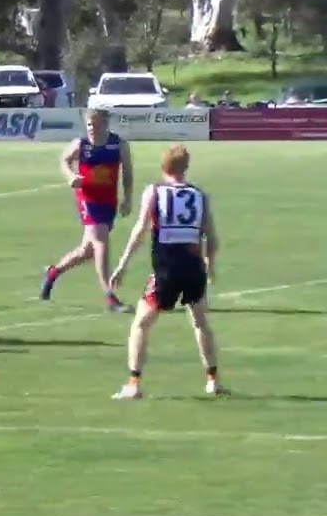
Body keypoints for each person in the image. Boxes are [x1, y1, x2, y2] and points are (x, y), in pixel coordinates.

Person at [106, 145, 223, 399]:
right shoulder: (199, 195)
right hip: (194, 267)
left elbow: (140, 230)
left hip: (167, 268)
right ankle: (212, 380)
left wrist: (122, 265)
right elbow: (211, 236)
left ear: (164, 166)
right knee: (200, 322)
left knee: (141, 323)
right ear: (186, 167)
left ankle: (133, 384)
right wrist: (210, 266)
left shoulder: (155, 191)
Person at [40, 108, 134, 312]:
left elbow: (127, 173)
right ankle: (110, 296)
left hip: (108, 201)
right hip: (88, 200)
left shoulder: (119, 145)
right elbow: (65, 160)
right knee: (101, 242)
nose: (92, 128)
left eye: (96, 124)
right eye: (90, 124)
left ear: (106, 124)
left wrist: (127, 198)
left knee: (87, 251)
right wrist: (71, 176)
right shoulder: (81, 144)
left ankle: (53, 272)